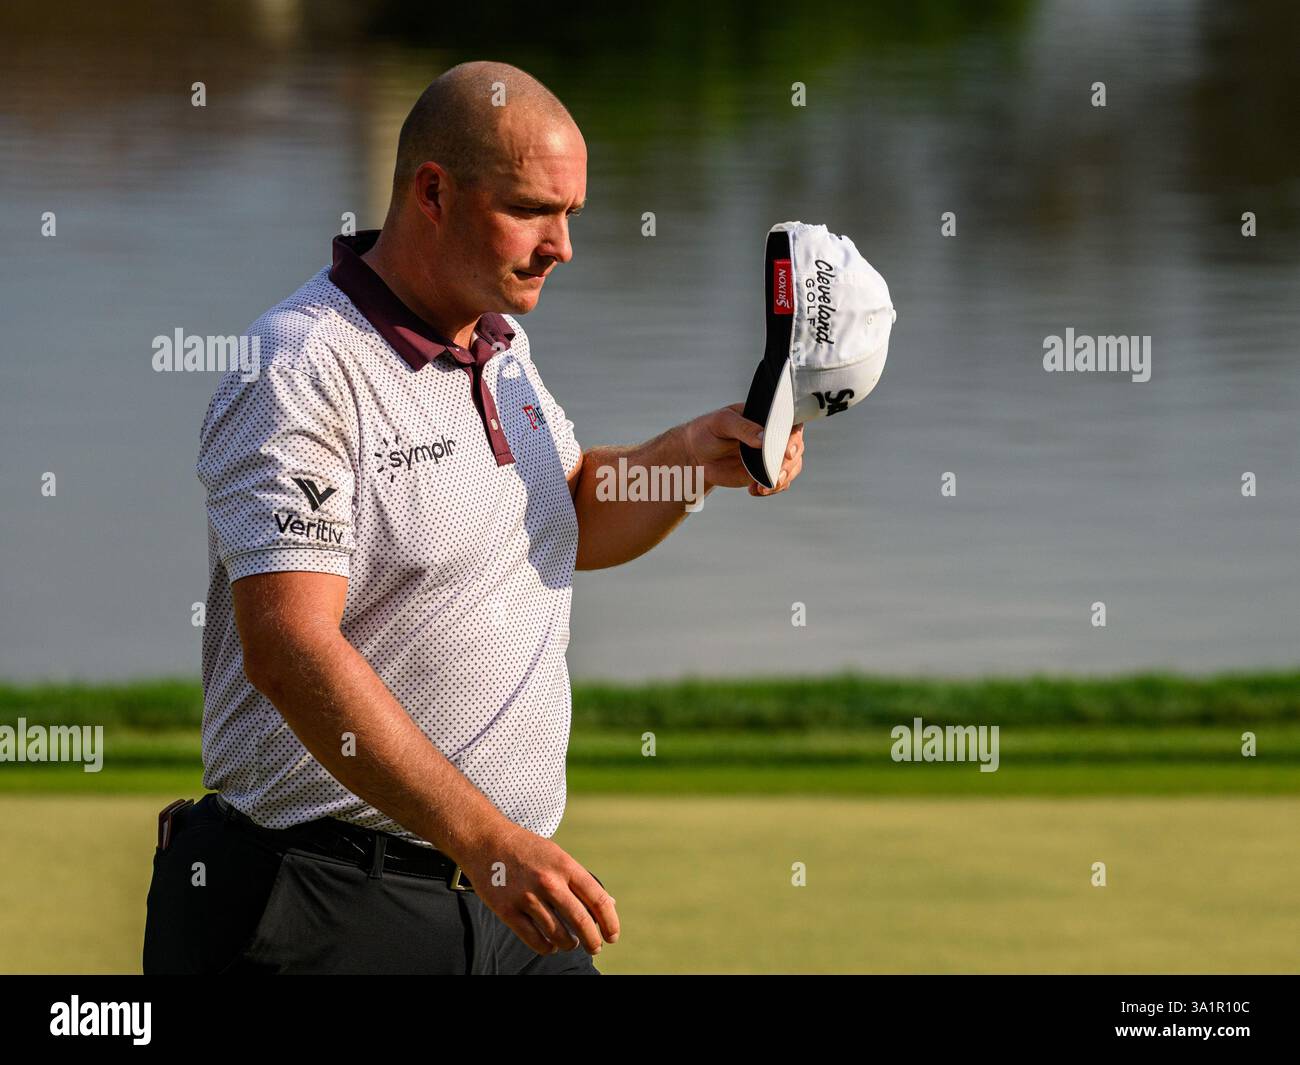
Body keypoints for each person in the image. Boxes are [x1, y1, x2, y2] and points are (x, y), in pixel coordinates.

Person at [143, 59, 805, 975]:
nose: (563, 244)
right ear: (433, 192)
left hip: (504, 904)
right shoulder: (301, 368)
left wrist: (690, 459)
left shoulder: (499, 346)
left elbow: (566, 511)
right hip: (324, 904)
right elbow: (290, 646)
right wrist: (486, 840)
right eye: (534, 210)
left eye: (572, 213)